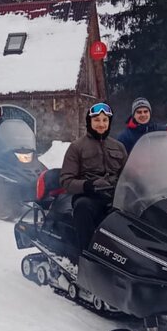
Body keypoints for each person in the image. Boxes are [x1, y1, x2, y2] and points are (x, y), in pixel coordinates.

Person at [60, 102, 128, 256]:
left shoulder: (119, 147)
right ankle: (87, 256)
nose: (101, 124)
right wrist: (88, 185)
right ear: (89, 122)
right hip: (89, 198)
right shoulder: (77, 147)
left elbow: (128, 175)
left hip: (115, 198)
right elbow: (66, 181)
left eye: (105, 120)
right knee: (83, 207)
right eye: (97, 120)